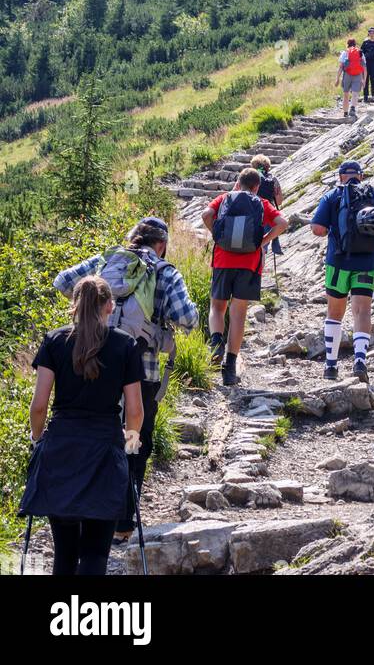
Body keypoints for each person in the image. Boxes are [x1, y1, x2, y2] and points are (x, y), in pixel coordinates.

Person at [52, 216, 198, 544]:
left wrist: (93, 320)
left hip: (93, 366)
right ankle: (122, 522)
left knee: (95, 437)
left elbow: (63, 282)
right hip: (141, 370)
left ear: (132, 238)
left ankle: (85, 510)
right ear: (161, 245)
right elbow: (188, 318)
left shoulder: (106, 260)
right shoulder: (164, 271)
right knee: (134, 440)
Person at [20, 274, 144, 576]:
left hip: (61, 450)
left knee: (64, 553)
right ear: (109, 306)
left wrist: (39, 440)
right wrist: (129, 445)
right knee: (95, 552)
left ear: (74, 304)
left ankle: (62, 620)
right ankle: (90, 620)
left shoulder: (54, 341)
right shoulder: (125, 344)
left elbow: (39, 407)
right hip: (104, 449)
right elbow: (136, 410)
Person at [310, 160, 374, 382]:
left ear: (341, 176)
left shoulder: (332, 196)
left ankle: (331, 365)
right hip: (367, 262)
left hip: (337, 262)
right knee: (362, 311)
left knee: (335, 312)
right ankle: (360, 361)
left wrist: (335, 229)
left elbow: (317, 228)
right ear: (361, 176)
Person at [203, 168, 288, 385]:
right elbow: (283, 223)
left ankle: (215, 342)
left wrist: (218, 235)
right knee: (238, 313)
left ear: (237, 183)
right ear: (257, 186)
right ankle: (230, 367)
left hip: (223, 260)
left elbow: (206, 215)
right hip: (250, 263)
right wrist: (263, 241)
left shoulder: (224, 198)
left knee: (217, 307)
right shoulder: (261, 202)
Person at [336, 37, 366, 118]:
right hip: (358, 75)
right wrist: (364, 79)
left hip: (347, 75)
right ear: (355, 44)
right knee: (355, 93)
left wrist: (337, 78)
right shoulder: (360, 53)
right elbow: (364, 67)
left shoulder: (345, 53)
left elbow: (341, 67)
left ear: (347, 44)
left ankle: (345, 112)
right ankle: (352, 108)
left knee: (346, 94)